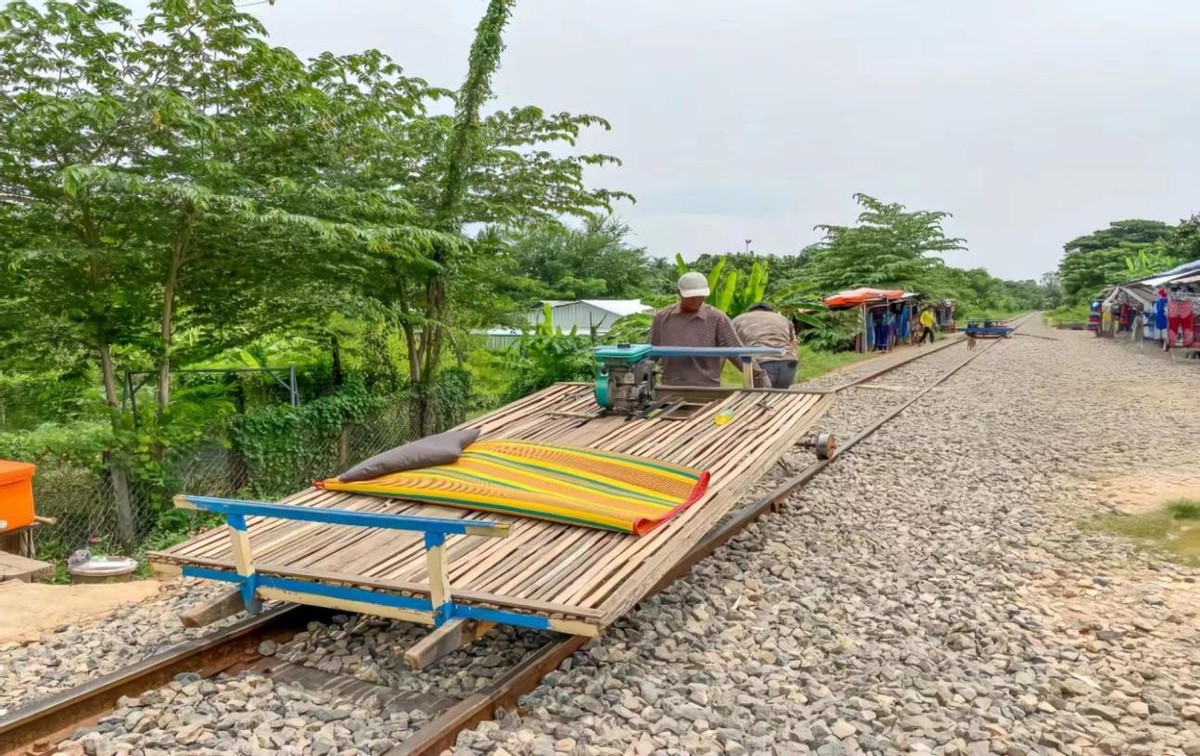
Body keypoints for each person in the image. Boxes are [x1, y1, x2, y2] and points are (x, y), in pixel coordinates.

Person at [649, 272, 769, 387]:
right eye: (691, 297)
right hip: (671, 386)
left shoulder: (717, 318)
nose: (696, 301)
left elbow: (737, 351)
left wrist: (760, 377)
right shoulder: (663, 317)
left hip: (707, 387)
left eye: (700, 297)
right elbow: (649, 353)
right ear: (679, 293)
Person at [732, 302, 798, 389]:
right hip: (789, 362)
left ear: (749, 311)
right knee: (780, 396)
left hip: (761, 362)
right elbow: (793, 345)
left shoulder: (738, 320)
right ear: (771, 311)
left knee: (760, 398)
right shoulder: (783, 319)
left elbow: (730, 343)